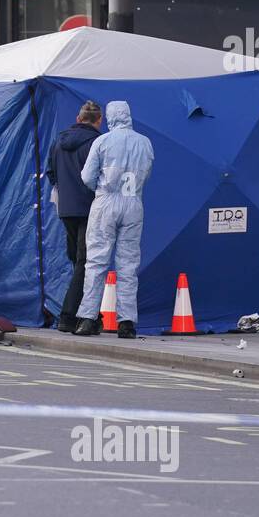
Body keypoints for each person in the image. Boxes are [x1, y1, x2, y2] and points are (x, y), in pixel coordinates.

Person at [72, 100, 154, 339]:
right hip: (133, 202)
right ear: (128, 116)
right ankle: (126, 322)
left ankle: (88, 318)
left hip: (106, 201)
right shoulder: (145, 143)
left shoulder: (102, 141)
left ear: (109, 117)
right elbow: (146, 173)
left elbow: (87, 177)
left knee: (96, 262)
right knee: (128, 264)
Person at [46, 101, 103, 333]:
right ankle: (69, 316)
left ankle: (82, 312)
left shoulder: (58, 141)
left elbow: (51, 173)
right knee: (85, 262)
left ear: (79, 118)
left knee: (76, 261)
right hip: (89, 208)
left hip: (66, 208)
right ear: (98, 121)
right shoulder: (96, 144)